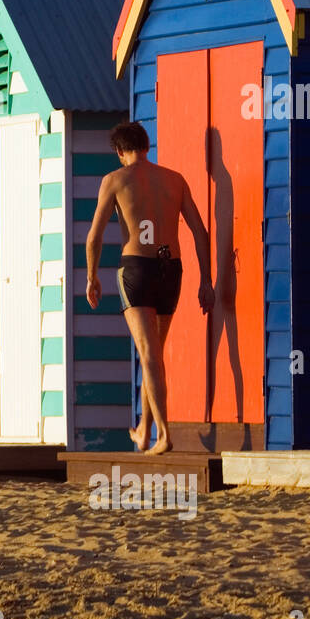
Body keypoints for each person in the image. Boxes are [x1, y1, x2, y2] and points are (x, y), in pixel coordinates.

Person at [85, 122, 212, 455]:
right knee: (151, 353)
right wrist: (206, 281)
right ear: (146, 145)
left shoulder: (114, 180)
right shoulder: (175, 179)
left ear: (119, 150)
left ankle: (165, 435)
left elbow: (95, 236)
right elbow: (201, 233)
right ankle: (144, 429)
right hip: (171, 270)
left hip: (137, 270)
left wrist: (92, 276)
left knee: (150, 355)